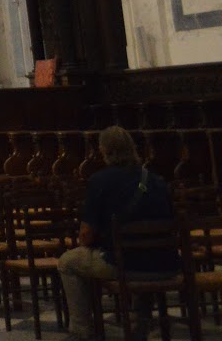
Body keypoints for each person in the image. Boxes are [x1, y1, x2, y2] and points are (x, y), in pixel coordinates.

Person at [58, 125, 182, 339]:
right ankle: (139, 324)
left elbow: (86, 235)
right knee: (143, 254)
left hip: (125, 266)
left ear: (104, 151)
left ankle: (81, 330)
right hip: (166, 263)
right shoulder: (156, 180)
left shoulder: (100, 181)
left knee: (68, 262)